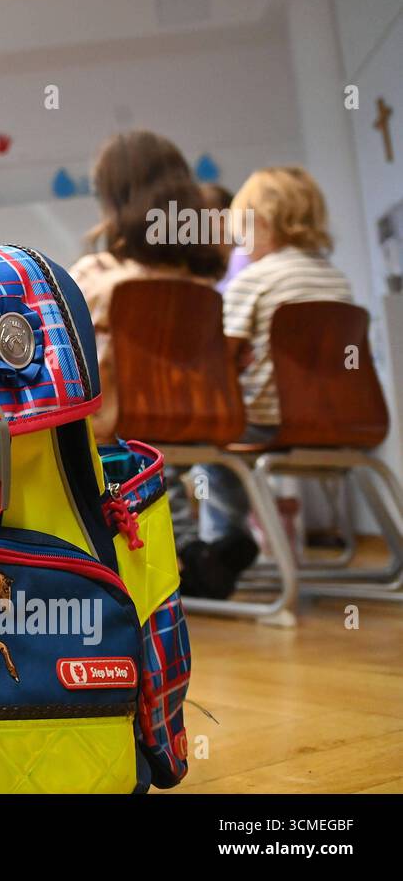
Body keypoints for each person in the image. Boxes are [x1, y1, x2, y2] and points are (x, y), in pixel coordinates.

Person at [177, 166, 354, 597]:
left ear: (264, 223)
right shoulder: (336, 280)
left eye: (243, 229)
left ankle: (210, 552)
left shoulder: (251, 281)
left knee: (189, 455)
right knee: (222, 458)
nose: (239, 242)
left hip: (269, 423)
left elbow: (219, 361)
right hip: (341, 425)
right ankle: (225, 550)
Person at [69, 131, 227, 443]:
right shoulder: (204, 288)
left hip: (109, 432)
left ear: (112, 199)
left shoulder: (95, 277)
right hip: (197, 426)